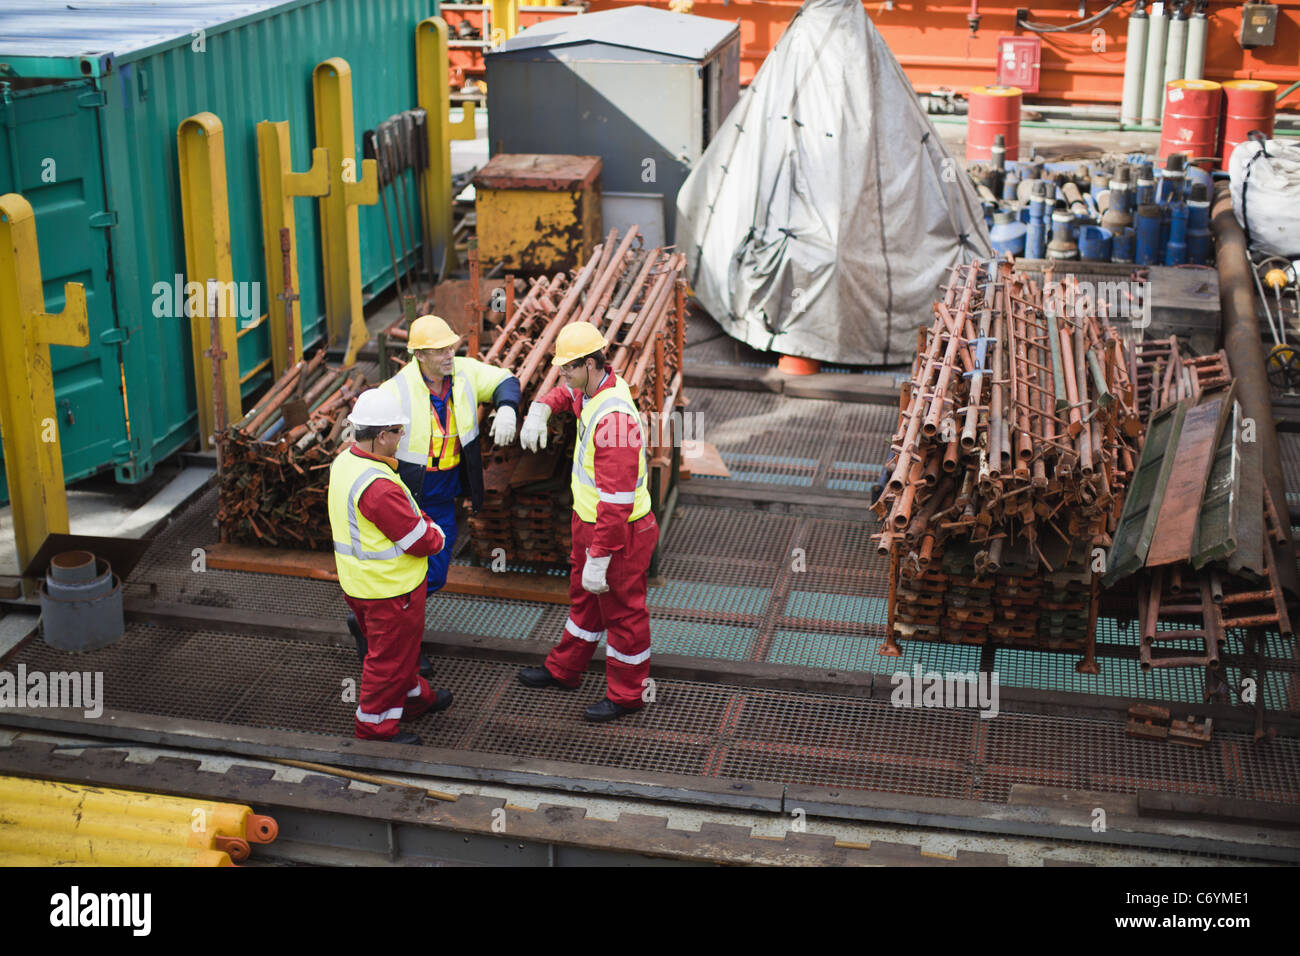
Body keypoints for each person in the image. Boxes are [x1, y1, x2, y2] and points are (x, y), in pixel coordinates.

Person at [345, 315, 521, 675]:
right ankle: (399, 645)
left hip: (444, 497)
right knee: (411, 576)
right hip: (410, 495)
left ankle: (369, 625)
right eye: (440, 349)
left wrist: (507, 408)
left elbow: (505, 379)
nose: (448, 354)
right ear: (419, 355)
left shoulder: (466, 373)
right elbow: (369, 438)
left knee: (434, 573)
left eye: (451, 346)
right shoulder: (398, 389)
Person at [516, 322, 659, 722]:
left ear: (592, 364)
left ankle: (628, 694)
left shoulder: (614, 421)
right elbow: (568, 395)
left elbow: (617, 500)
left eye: (568, 369)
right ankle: (565, 670)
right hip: (591, 525)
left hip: (619, 534)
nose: (563, 376)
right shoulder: (595, 390)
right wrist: (542, 407)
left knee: (624, 615)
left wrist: (601, 554)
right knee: (585, 603)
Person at [328, 389, 453, 745]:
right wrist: (438, 533)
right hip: (390, 592)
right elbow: (421, 540)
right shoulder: (378, 486)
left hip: (363, 586)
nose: (402, 438)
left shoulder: (347, 463)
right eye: (398, 431)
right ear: (382, 435)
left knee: (400, 651)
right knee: (387, 661)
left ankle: (413, 700)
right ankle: (374, 728)